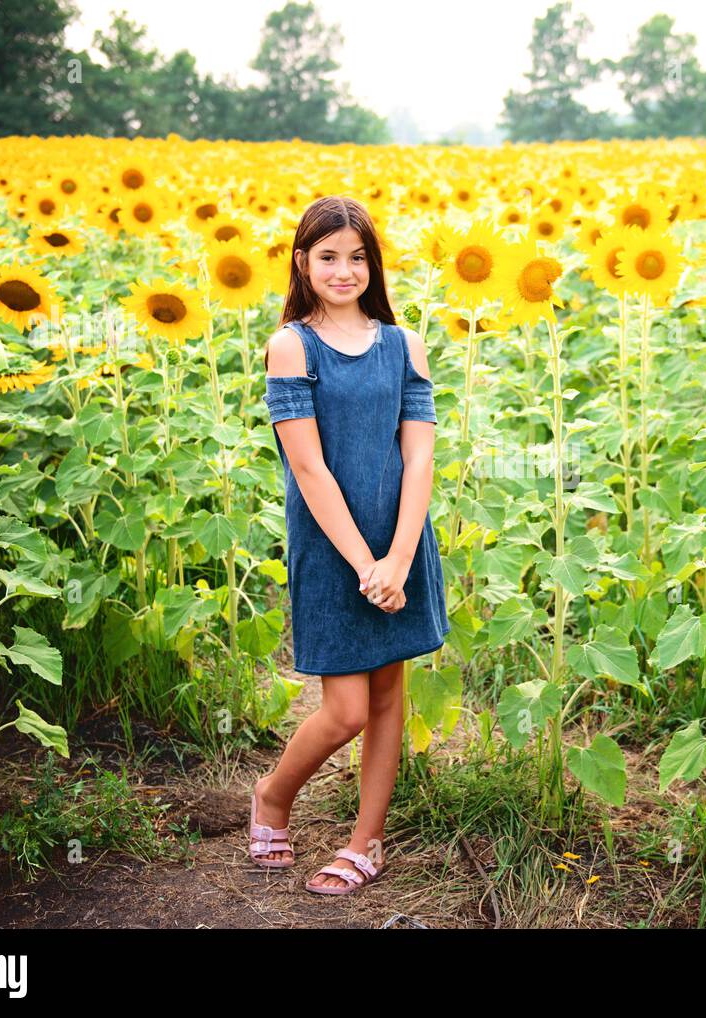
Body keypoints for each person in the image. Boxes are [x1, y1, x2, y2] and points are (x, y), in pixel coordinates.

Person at [250, 195, 451, 894]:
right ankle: (274, 795)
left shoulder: (404, 346)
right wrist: (366, 564)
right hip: (332, 549)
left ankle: (368, 841)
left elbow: (419, 460)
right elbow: (308, 467)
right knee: (344, 710)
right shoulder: (291, 346)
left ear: (374, 263)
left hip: (400, 543)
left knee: (390, 693)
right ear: (303, 262)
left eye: (357, 257)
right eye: (329, 257)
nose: (344, 270)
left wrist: (397, 558)